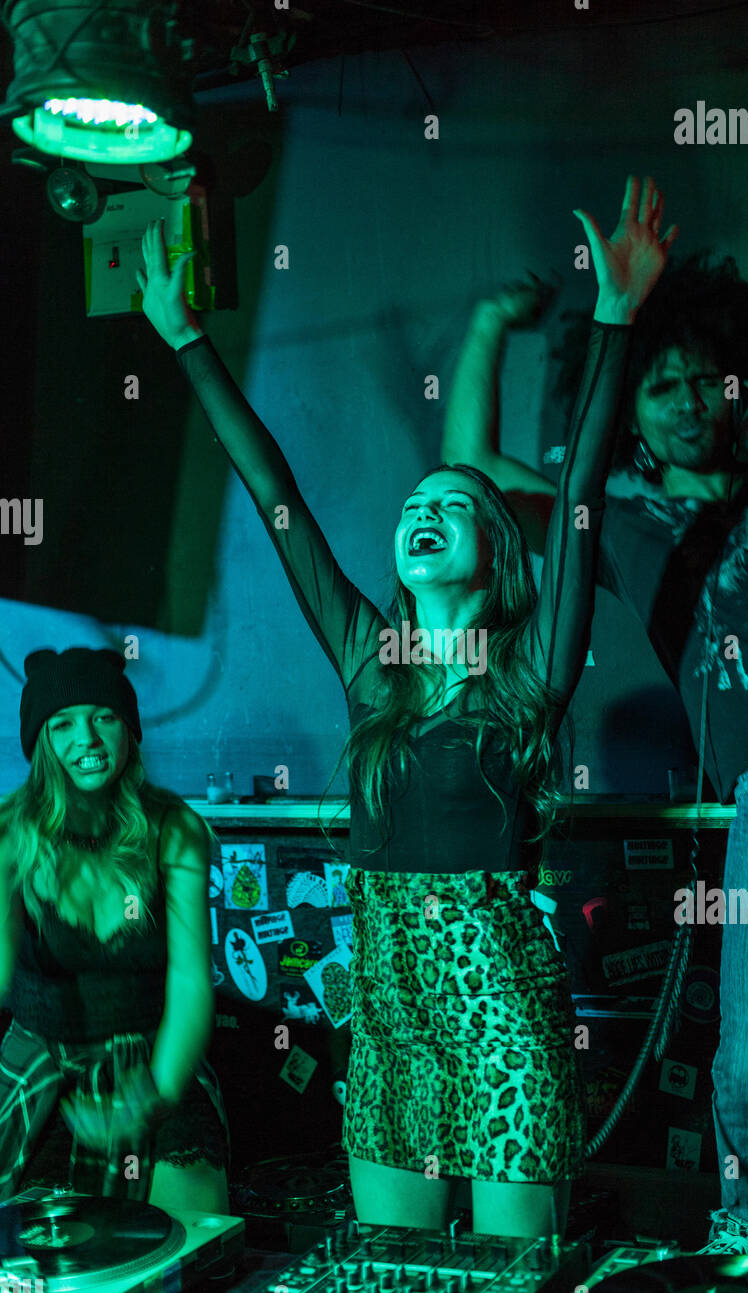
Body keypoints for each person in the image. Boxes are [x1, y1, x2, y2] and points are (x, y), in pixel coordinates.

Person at [136, 176, 677, 1237]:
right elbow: (274, 493)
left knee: (511, 1274)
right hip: (382, 1007)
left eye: (457, 504)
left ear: (496, 556)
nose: (426, 510)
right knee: (397, 1266)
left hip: (502, 1007)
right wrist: (186, 338)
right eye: (414, 505)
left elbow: (575, 507)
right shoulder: (368, 664)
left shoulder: (524, 678)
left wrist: (613, 320)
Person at [442, 248, 748, 1258]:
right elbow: (467, 480)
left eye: (701, 383)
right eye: (659, 386)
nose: (683, 403)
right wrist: (484, 333)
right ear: (627, 410)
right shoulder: (619, 514)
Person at [0, 647, 230, 1213]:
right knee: (42, 1252)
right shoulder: (10, 836)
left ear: (128, 728)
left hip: (157, 1059)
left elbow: (191, 984)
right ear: (42, 743)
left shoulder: (174, 830)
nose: (88, 739)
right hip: (42, 1065)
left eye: (103, 716)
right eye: (63, 724)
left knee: (190, 1240)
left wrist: (154, 1095)